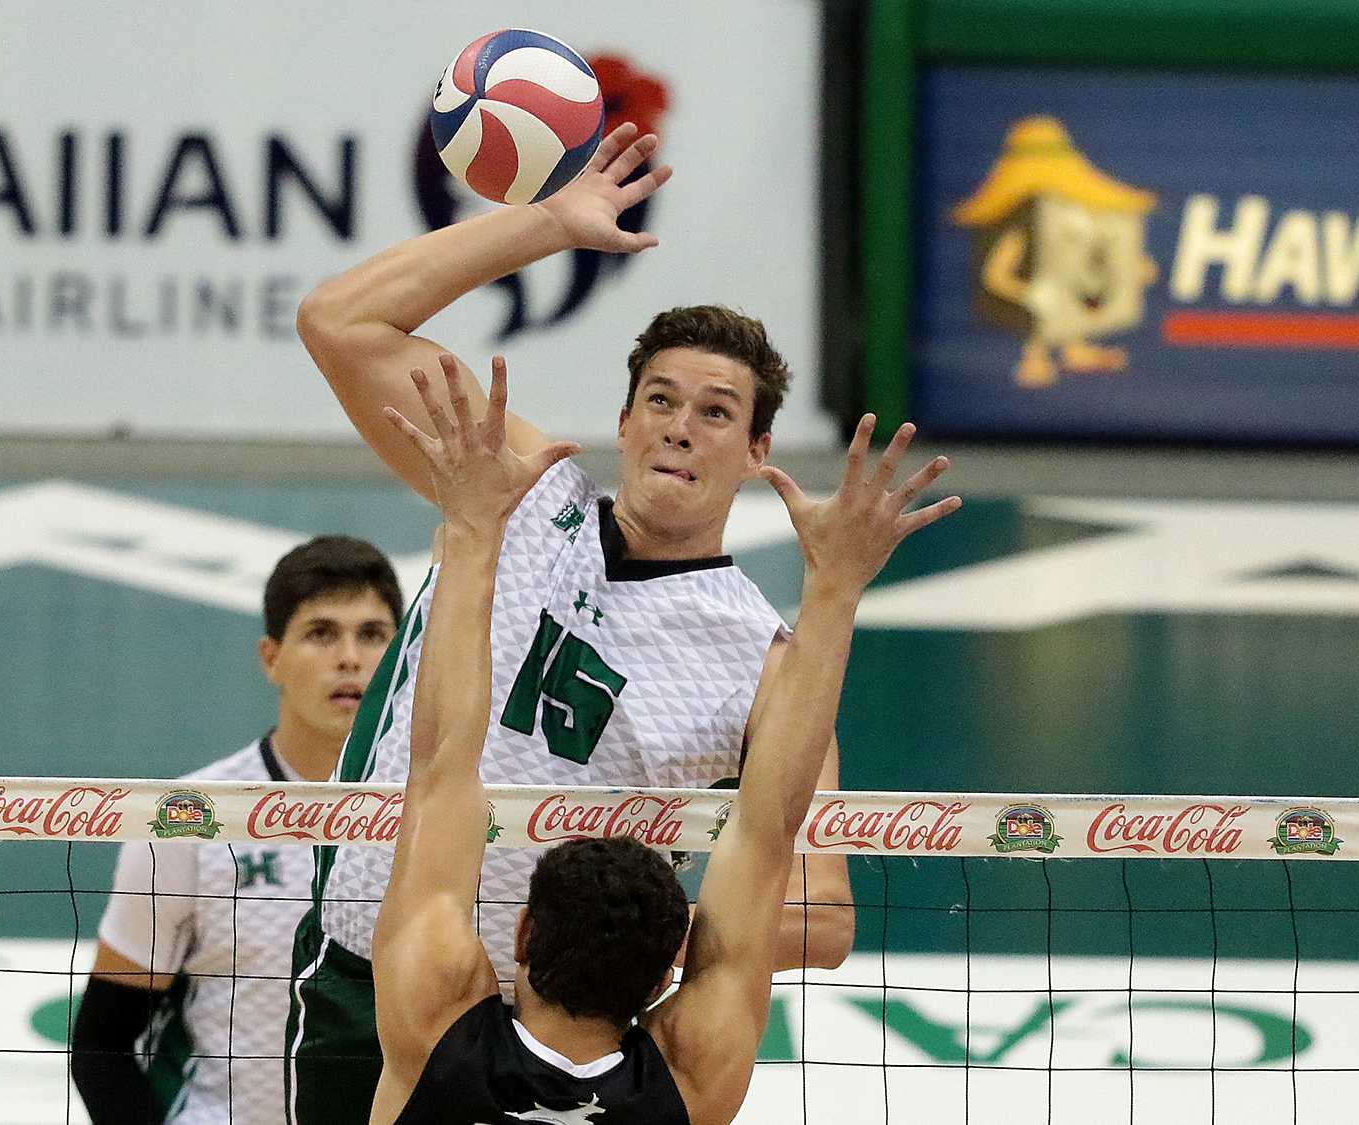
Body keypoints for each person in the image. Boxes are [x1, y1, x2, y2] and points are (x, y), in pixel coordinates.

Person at [287, 123, 861, 1125]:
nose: (681, 424)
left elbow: (819, 914)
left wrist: (612, 934)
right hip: (375, 973)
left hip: (577, 1027)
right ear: (626, 421)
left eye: (716, 412)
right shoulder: (510, 489)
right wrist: (544, 223)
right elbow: (341, 324)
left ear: (759, 448)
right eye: (660, 399)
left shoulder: (761, 661)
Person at [369, 360, 957, 1125]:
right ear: (659, 985)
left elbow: (442, 762)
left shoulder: (431, 1019)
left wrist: (475, 526)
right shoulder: (692, 1076)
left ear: (518, 934)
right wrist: (836, 590)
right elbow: (767, 830)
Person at [70, 536, 402, 1125]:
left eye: (373, 635)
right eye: (321, 633)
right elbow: (102, 1044)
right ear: (270, 657)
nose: (350, 658)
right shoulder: (188, 819)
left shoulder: (442, 818)